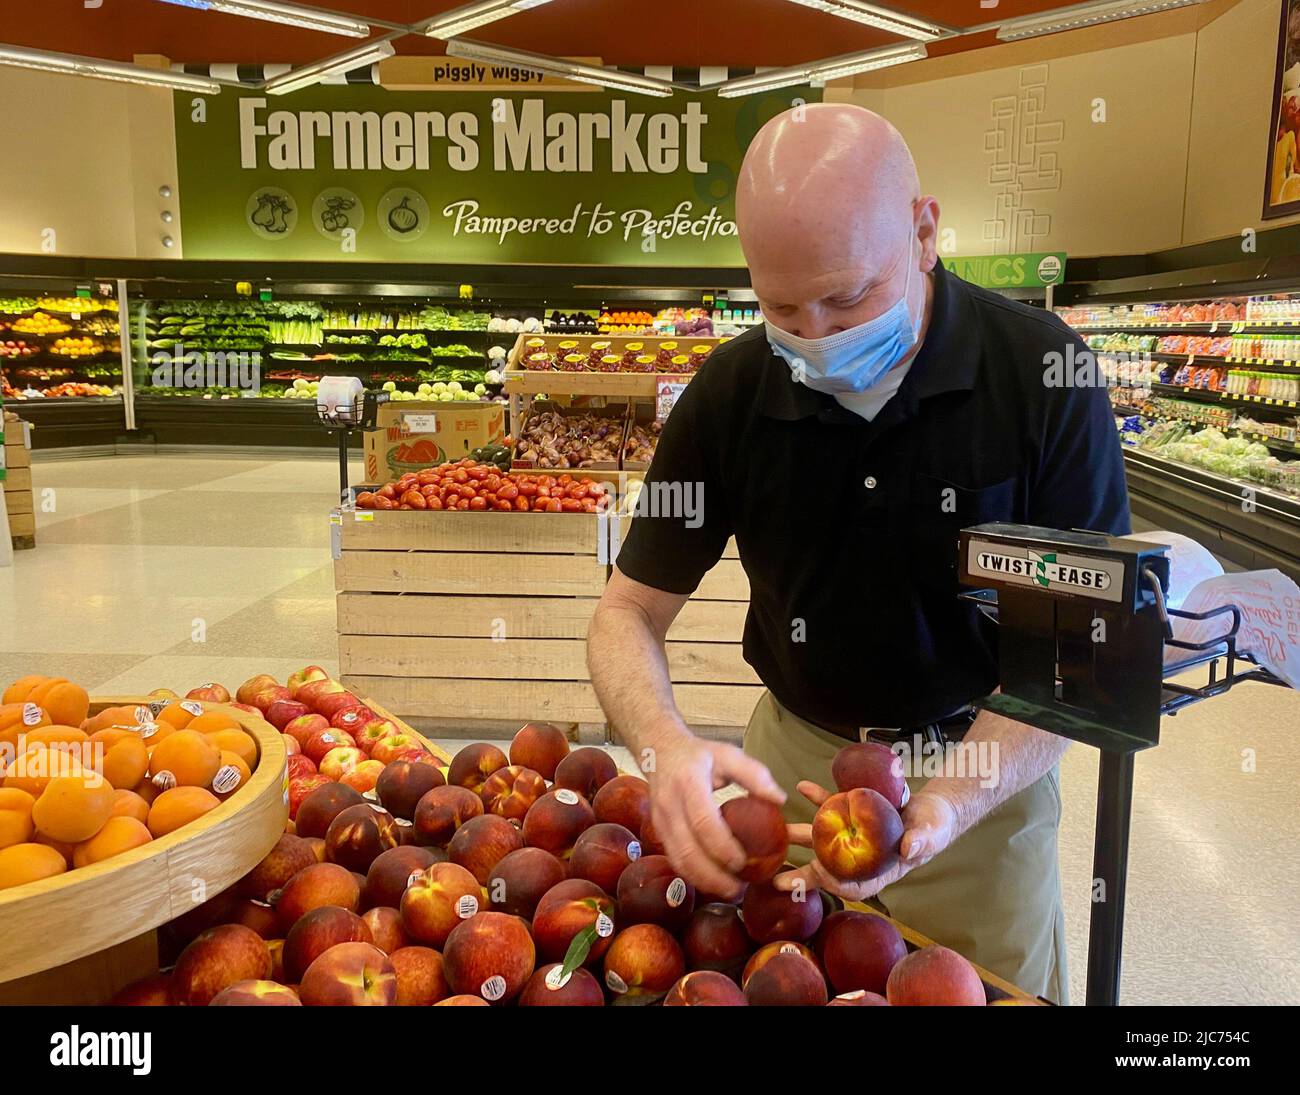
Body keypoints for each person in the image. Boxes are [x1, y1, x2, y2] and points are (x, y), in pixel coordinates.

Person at [586, 103, 1130, 1002]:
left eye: (848, 297)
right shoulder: (729, 392)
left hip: (982, 790)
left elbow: (1078, 654)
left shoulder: (1043, 378)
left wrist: (948, 803)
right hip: (795, 787)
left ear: (923, 230)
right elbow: (627, 610)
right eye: (782, 306)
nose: (820, 333)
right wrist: (665, 745)